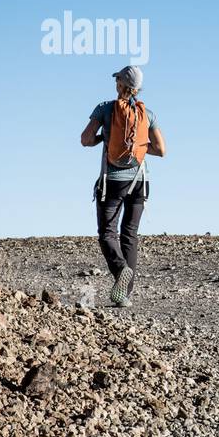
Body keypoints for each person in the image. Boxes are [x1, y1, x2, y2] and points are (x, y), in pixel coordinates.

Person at [80, 66, 166, 307]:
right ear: (137, 88)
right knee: (130, 235)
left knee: (108, 232)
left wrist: (104, 139)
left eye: (117, 79)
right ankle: (124, 296)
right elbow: (161, 150)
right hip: (140, 181)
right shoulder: (147, 114)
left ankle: (120, 270)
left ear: (120, 84)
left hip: (113, 182)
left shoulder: (105, 109)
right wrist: (138, 147)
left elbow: (85, 139)